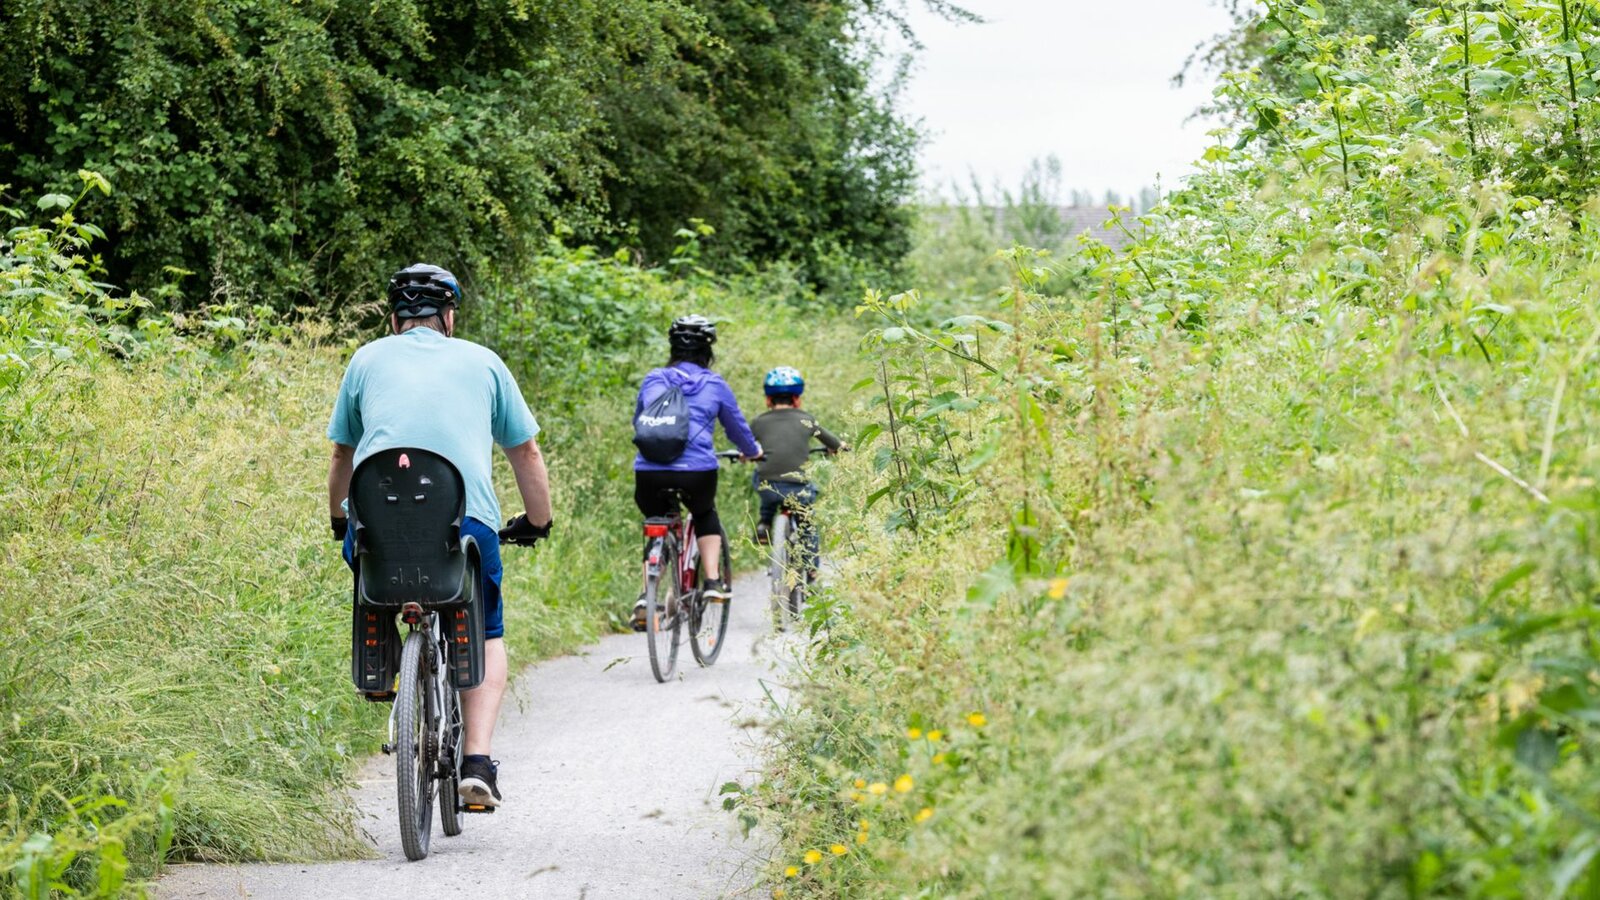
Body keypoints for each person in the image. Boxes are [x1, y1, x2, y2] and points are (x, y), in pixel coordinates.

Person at [326, 263, 552, 809]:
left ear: (394, 316)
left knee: (371, 561)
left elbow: (342, 454)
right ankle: (476, 762)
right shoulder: (483, 361)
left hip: (377, 521)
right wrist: (538, 521)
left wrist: (340, 519)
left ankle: (381, 667)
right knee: (487, 630)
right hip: (464, 525)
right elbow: (526, 452)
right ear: (449, 316)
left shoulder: (365, 359)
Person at [631, 314, 761, 631]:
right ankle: (714, 581)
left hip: (650, 472)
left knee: (658, 519)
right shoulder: (715, 385)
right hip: (697, 471)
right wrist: (752, 450)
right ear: (708, 351)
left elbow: (640, 422)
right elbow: (737, 429)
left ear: (672, 347)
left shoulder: (654, 379)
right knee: (704, 513)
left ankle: (648, 593)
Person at [749, 366, 844, 572]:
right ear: (797, 399)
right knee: (807, 523)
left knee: (760, 474)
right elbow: (834, 443)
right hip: (798, 487)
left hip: (768, 488)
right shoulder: (806, 419)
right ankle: (811, 571)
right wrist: (838, 448)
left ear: (768, 400)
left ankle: (765, 522)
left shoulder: (758, 422)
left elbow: (746, 446)